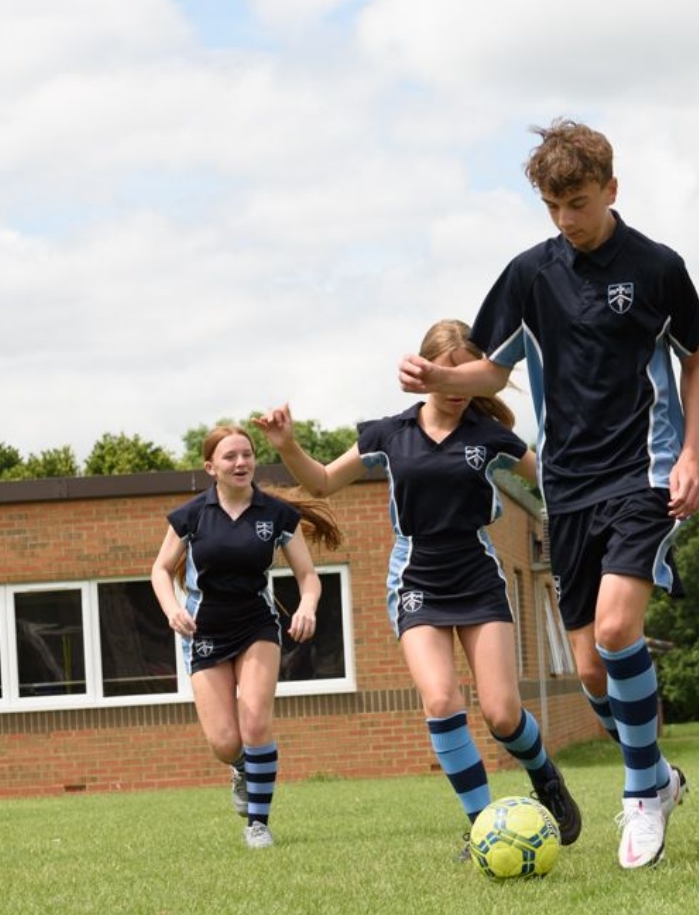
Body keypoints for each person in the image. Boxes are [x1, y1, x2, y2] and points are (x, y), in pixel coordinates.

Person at [399, 120, 699, 870]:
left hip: (642, 474)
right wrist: (443, 379)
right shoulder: (529, 274)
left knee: (615, 629)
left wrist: (694, 454)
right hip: (565, 491)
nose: (567, 220)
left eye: (577, 201)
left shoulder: (660, 267)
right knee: (592, 672)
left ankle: (641, 795)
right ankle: (662, 774)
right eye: (552, 206)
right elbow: (492, 369)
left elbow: (696, 364)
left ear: (611, 188)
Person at [254, 319, 582, 857]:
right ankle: (483, 828)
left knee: (502, 712)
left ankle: (545, 777)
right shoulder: (389, 434)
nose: (455, 392)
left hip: (477, 575)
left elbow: (554, 479)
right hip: (417, 579)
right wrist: (287, 445)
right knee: (440, 698)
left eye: (465, 379)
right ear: (423, 372)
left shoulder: (490, 436)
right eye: (445, 378)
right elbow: (320, 482)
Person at [151, 424, 342, 849]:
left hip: (257, 624)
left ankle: (258, 823)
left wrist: (307, 605)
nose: (241, 463)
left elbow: (308, 576)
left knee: (255, 720)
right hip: (205, 628)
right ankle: (241, 767)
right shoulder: (191, 515)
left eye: (247, 455)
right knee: (224, 742)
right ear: (211, 467)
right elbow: (161, 570)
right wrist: (172, 609)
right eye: (230, 457)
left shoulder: (275, 514)